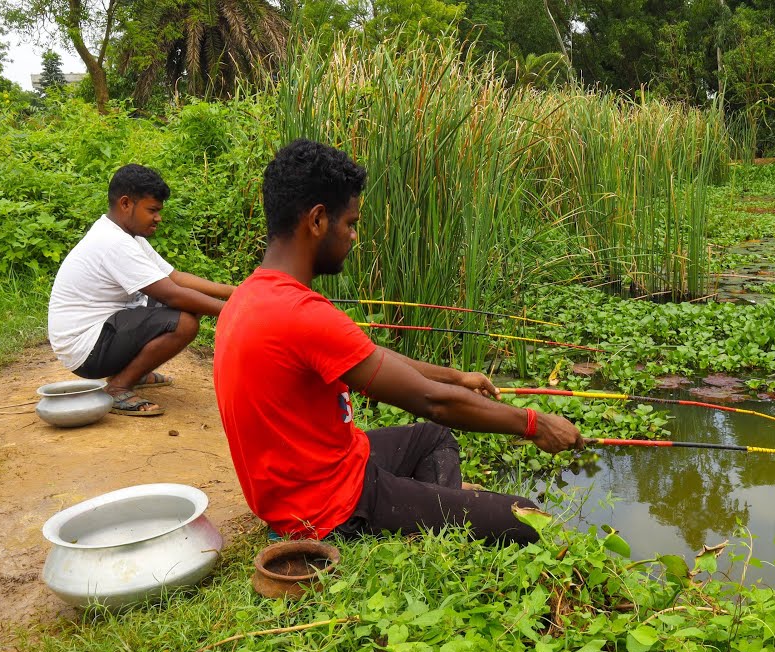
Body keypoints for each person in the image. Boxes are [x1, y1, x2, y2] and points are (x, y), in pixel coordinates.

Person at [213, 139, 584, 545]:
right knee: (526, 521)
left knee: (434, 441)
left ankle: (432, 520)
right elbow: (433, 403)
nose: (354, 236)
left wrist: (455, 377)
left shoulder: (252, 295)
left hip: (322, 473)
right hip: (328, 508)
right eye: (350, 223)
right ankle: (423, 525)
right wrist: (536, 424)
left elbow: (368, 355)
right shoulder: (299, 314)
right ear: (317, 220)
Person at [47, 164, 236, 416]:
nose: (158, 217)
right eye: (152, 210)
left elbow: (175, 278)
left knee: (186, 306)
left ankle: (133, 372)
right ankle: (118, 387)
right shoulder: (113, 242)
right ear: (126, 204)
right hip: (87, 349)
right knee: (184, 322)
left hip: (103, 331)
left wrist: (238, 292)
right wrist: (236, 311)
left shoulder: (127, 237)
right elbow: (172, 293)